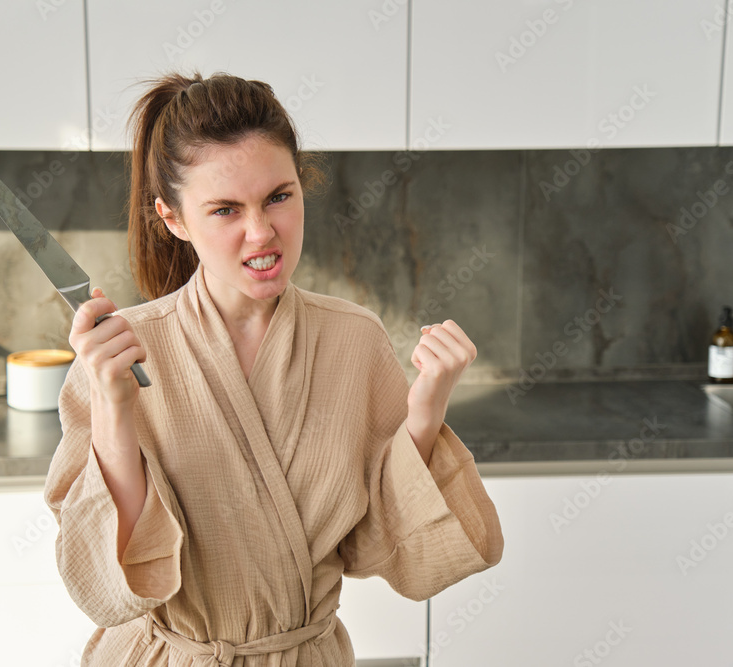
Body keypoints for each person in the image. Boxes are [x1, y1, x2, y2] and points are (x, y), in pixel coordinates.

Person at [44, 71, 504, 666]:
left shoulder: (353, 339)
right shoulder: (120, 353)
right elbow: (113, 578)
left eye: (279, 197)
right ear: (173, 218)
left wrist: (424, 412)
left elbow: (377, 545)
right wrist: (111, 407)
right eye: (225, 209)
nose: (261, 233)